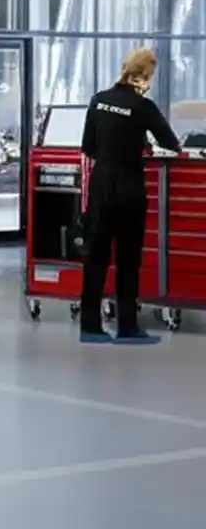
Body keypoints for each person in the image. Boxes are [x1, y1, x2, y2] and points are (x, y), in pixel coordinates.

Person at [79, 47, 181, 345]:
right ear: (144, 75)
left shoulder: (99, 100)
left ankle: (90, 327)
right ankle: (127, 327)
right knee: (127, 258)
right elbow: (171, 142)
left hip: (101, 186)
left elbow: (89, 146)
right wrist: (142, 143)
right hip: (128, 187)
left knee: (95, 257)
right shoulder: (143, 106)